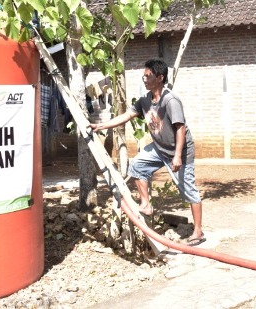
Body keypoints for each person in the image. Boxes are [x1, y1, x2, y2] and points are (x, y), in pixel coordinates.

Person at [88, 59, 205, 246]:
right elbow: (126, 116)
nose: (144, 79)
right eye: (144, 75)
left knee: (188, 190)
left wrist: (177, 156)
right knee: (137, 165)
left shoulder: (170, 100)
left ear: (160, 78)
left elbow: (180, 129)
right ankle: (146, 204)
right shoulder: (145, 100)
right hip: (159, 149)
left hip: (180, 152)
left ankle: (198, 232)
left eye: (148, 76)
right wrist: (100, 125)